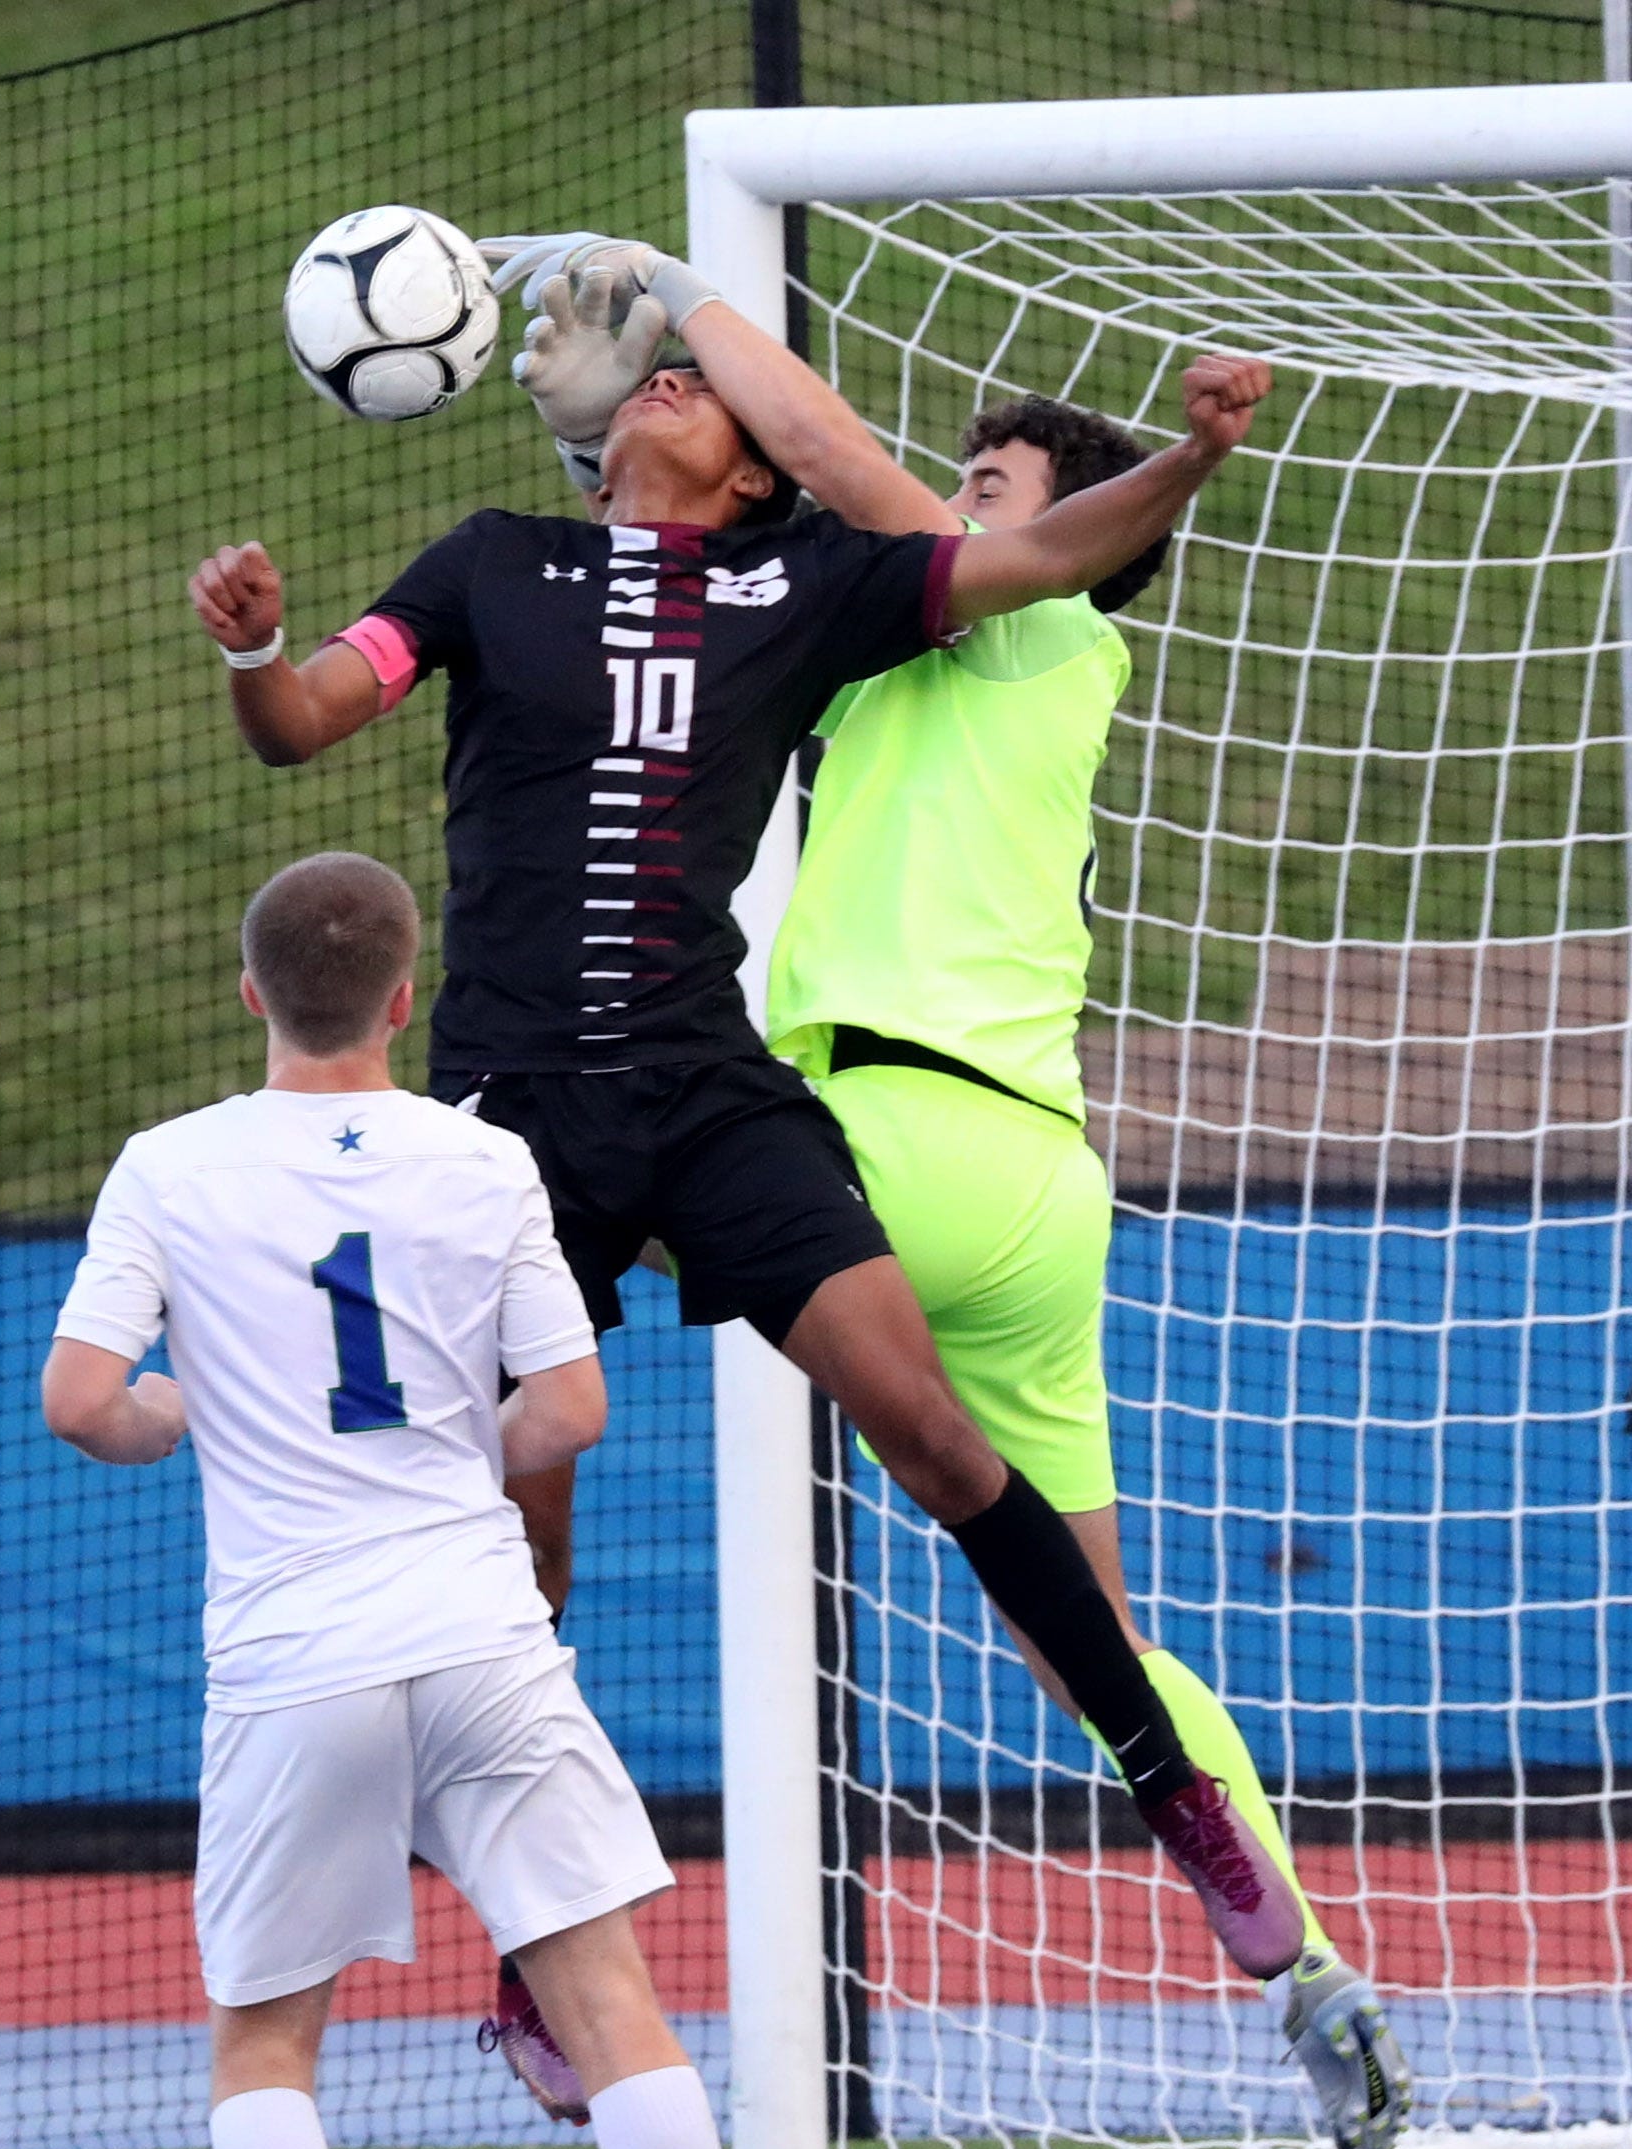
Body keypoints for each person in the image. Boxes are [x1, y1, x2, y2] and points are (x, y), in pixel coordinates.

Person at [187, 238, 1304, 1985]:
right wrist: (254, 655)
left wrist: (1196, 466)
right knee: (517, 1526)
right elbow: (306, 722)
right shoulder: (494, 565)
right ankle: (536, 1952)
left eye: (694, 382)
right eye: (656, 376)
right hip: (510, 1109)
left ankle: (1182, 1804)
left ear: (761, 473)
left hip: (712, 1086)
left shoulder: (811, 595)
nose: (665, 378)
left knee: (929, 1429)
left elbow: (1047, 555)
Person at [493, 263, 1409, 2149]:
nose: (952, 494)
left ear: (1061, 537)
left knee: (541, 1222)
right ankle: (1304, 1960)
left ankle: (537, 1960)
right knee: (1096, 1632)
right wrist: (610, 440)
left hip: (881, 1126)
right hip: (1040, 1184)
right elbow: (713, 554)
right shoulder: (931, 647)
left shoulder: (1027, 627)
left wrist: (676, 303)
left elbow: (810, 455)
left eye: (988, 484)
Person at [41, 852, 788, 2149]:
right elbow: (570, 1411)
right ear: (404, 999)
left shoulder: (169, 1167)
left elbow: (82, 1399)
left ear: (252, 993)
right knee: (605, 1995)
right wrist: (458, 1454)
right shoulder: (486, 1159)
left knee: (265, 2035)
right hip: (476, 1628)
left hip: (296, 1655)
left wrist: (182, 1413)